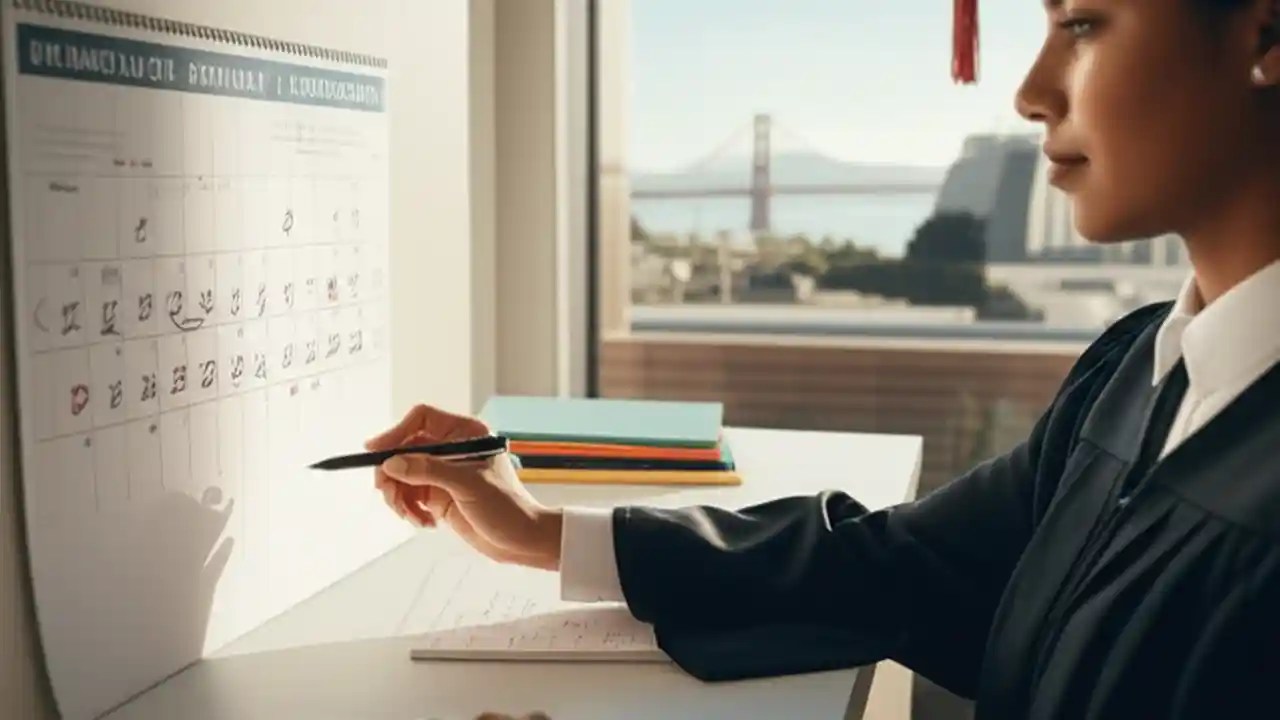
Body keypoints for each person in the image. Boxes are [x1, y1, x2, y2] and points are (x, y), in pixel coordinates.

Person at [368, 0, 1280, 717]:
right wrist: (545, 531)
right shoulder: (1135, 371)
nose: (1031, 91)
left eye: (1081, 23)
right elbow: (897, 566)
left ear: (1265, 33)